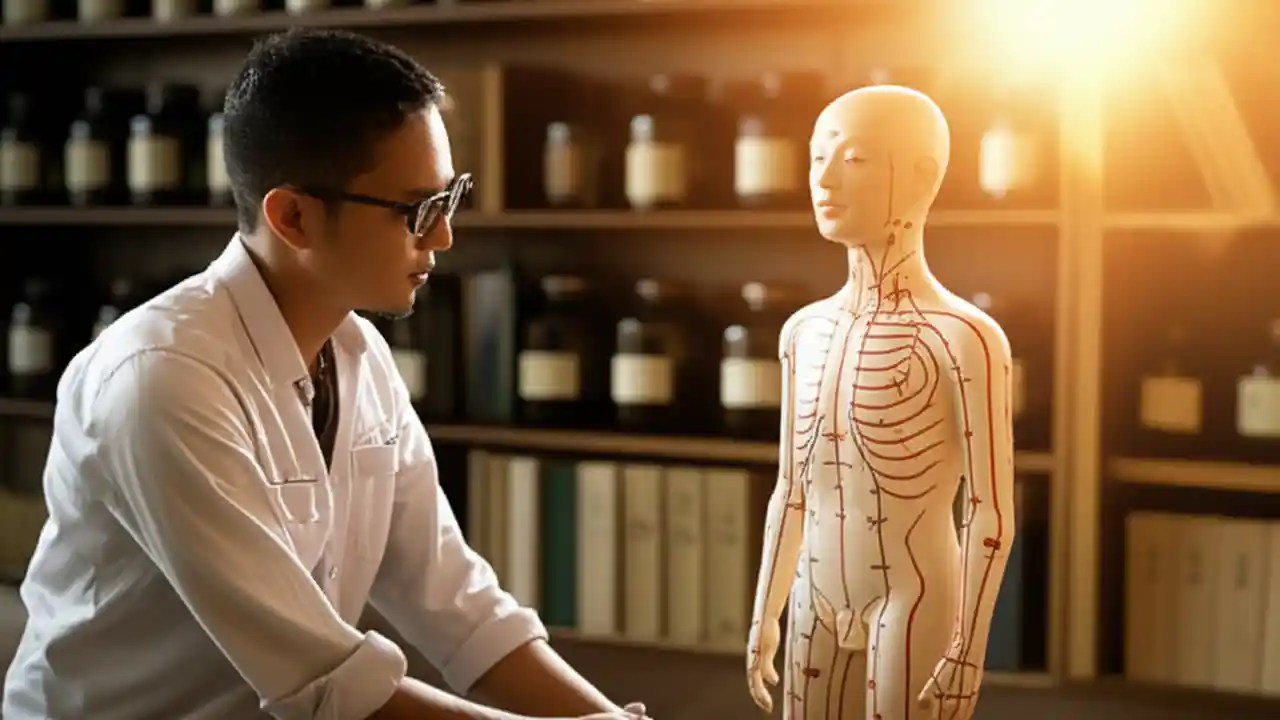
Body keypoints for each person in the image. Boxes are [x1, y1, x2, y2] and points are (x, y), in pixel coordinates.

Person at [1, 28, 650, 720]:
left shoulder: (361, 355)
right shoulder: (160, 380)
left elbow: (462, 611)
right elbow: (325, 681)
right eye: (416, 211)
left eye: (449, 199)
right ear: (294, 217)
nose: (444, 237)